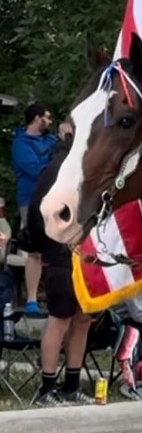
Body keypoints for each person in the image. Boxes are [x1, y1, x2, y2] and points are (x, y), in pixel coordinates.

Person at [26, 124, 94, 407]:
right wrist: (47, 244)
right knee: (60, 317)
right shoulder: (58, 167)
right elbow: (36, 210)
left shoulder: (94, 164)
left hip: (88, 252)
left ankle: (72, 386)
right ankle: (47, 388)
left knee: (83, 318)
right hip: (60, 252)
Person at [11, 103, 57, 313]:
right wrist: (55, 164)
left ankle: (56, 297)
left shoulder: (52, 140)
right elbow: (36, 170)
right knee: (34, 250)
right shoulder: (20, 143)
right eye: (47, 117)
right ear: (37, 118)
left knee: (58, 250)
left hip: (55, 199)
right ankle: (31, 300)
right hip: (31, 201)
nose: (50, 121)